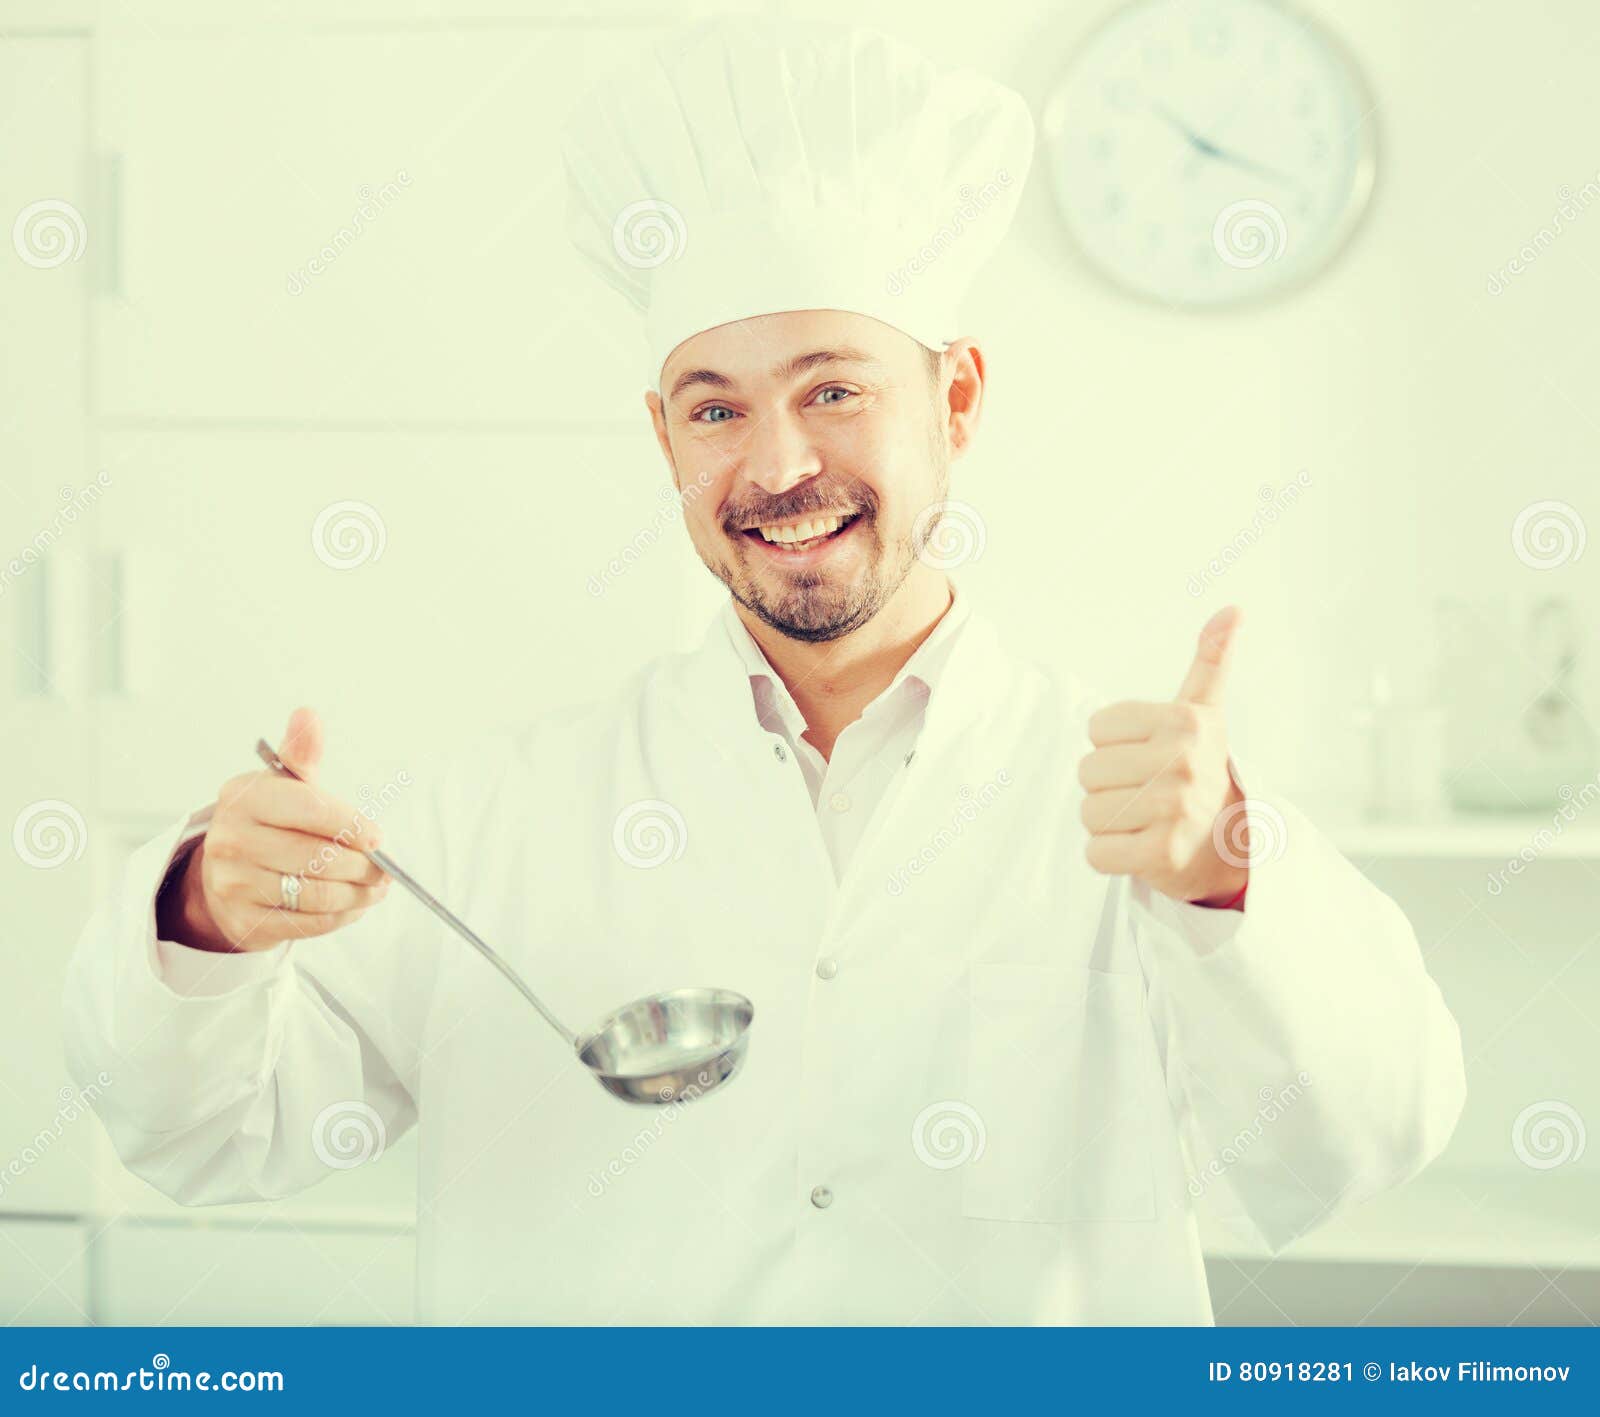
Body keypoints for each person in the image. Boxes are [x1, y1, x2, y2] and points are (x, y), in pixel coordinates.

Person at [63, 18, 1464, 1325]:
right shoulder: (499, 815)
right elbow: (205, 1134)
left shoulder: (1135, 809)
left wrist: (1226, 872)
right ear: (665, 442)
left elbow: (1368, 1133)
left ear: (957, 398)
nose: (778, 464)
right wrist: (202, 915)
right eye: (715, 408)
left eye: (833, 387)